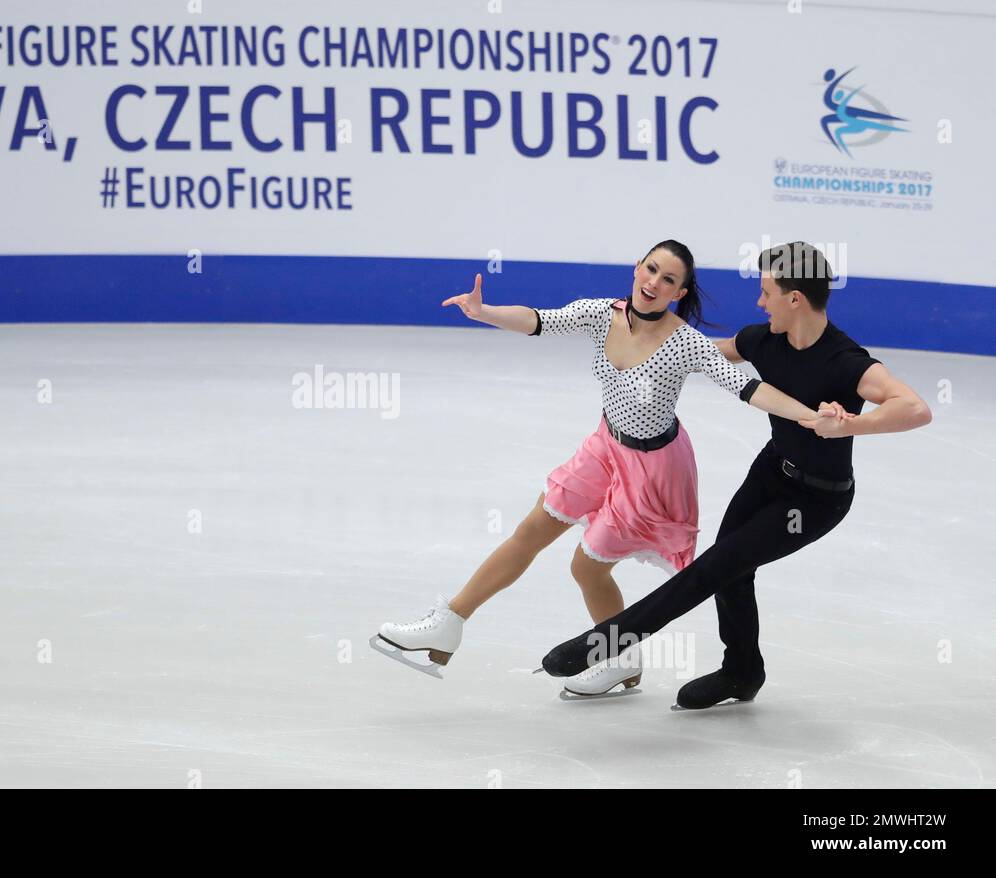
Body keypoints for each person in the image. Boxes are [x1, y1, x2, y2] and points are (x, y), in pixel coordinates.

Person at [372, 240, 822, 693]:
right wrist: (484, 311)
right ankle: (450, 621)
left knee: (586, 568)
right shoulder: (599, 313)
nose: (654, 283)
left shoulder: (685, 343)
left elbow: (747, 388)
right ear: (636, 268)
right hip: (605, 447)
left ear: (679, 293)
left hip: (653, 470)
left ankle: (621, 658)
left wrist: (808, 415)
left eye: (668, 280)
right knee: (531, 529)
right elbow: (539, 320)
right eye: (650, 270)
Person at [539, 241, 932, 708]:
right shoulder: (762, 339)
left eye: (767, 292)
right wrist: (641, 340)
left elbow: (916, 409)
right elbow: (700, 352)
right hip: (770, 472)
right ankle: (742, 672)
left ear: (794, 299)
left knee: (716, 567)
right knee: (731, 572)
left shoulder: (845, 361)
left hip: (815, 501)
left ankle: (604, 643)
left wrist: (850, 424)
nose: (759, 302)